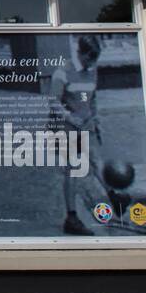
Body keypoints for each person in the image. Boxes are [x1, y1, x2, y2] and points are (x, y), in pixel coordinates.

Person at [49, 35, 107, 235]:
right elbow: (54, 102)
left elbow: (92, 98)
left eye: (94, 60)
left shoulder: (92, 69)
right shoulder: (62, 72)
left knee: (97, 160)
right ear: (80, 53)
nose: (91, 64)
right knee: (72, 170)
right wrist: (70, 117)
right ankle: (71, 217)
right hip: (65, 127)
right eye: (88, 59)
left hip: (85, 124)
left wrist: (96, 119)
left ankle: (114, 196)